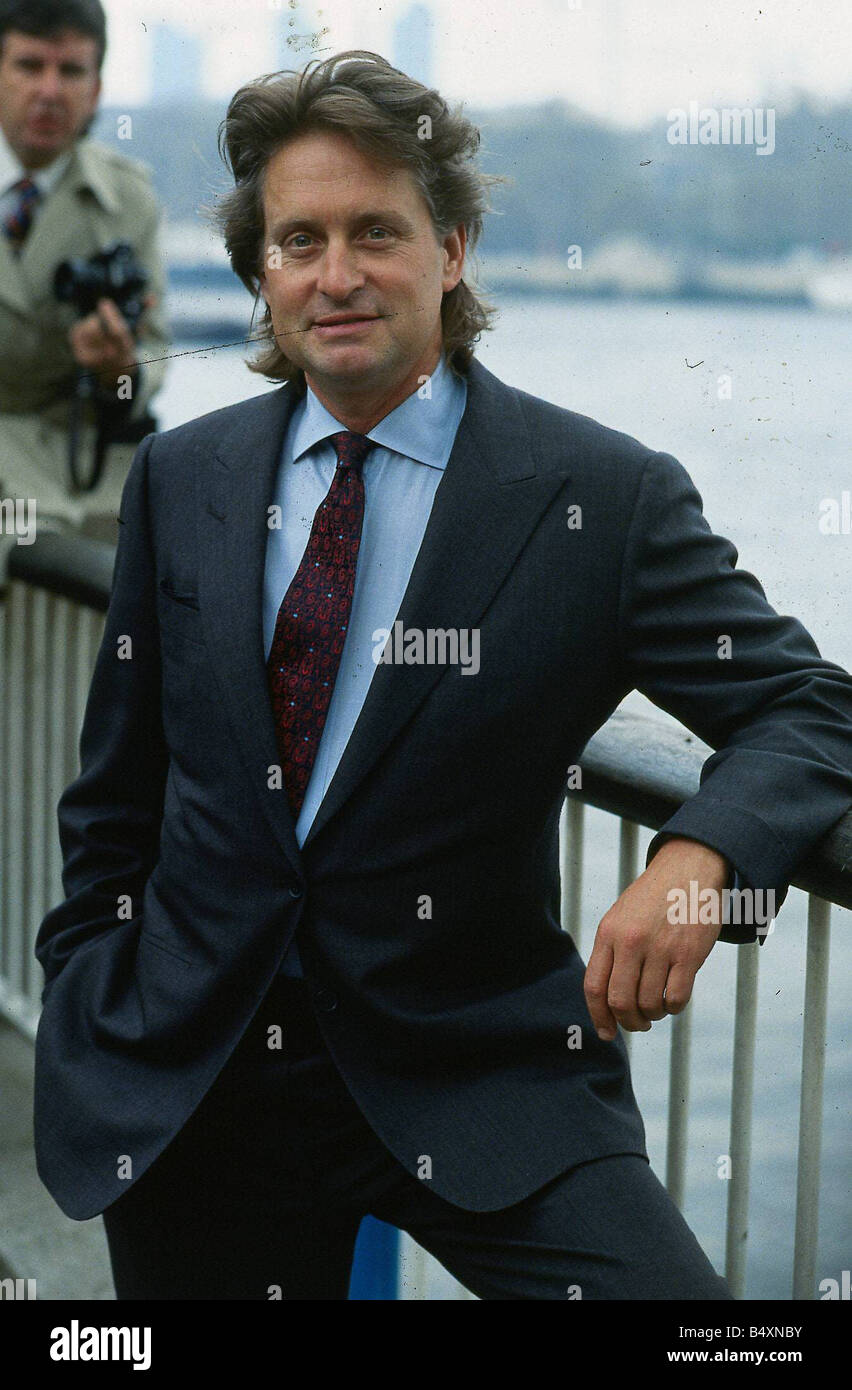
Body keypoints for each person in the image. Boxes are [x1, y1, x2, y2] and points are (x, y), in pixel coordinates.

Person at [32, 50, 852, 1300]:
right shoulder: (183, 477)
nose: (337, 274)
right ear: (262, 271)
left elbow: (808, 703)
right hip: (196, 1076)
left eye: (377, 231)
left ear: (453, 249)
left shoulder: (599, 497)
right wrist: (92, 988)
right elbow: (115, 796)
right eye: (299, 241)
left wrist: (702, 857)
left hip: (481, 1071)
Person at [0, 0, 169, 542]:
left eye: (71, 70)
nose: (49, 91)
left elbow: (151, 356)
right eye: (29, 65)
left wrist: (116, 369)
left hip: (77, 466)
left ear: (96, 90)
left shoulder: (128, 199)